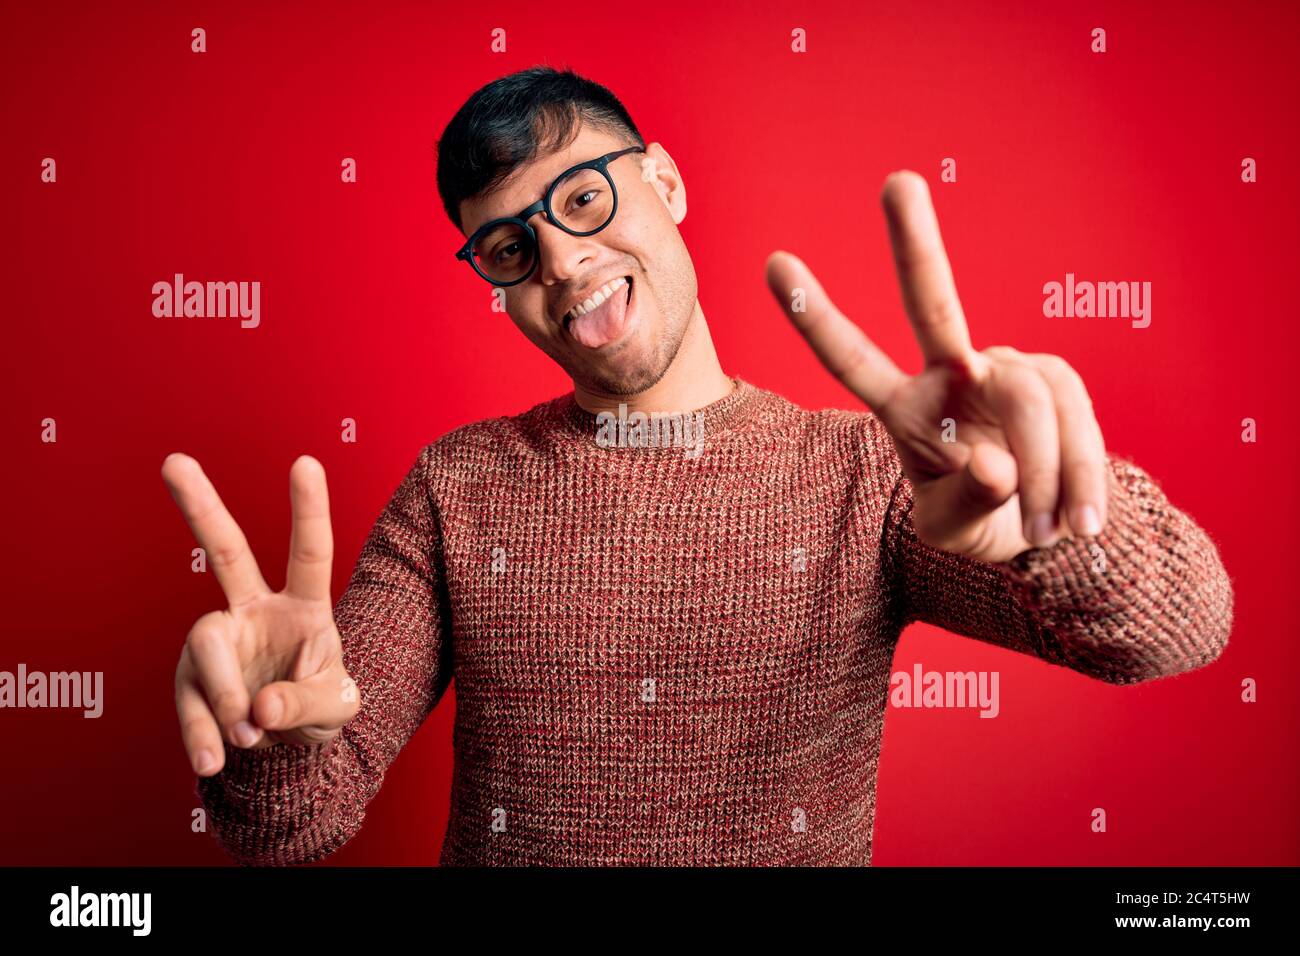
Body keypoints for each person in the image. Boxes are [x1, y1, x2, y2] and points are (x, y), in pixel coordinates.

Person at [162, 66, 1233, 866]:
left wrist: (1054, 528)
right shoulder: (456, 487)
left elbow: (1180, 629)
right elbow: (298, 825)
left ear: (663, 180)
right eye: (509, 247)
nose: (564, 261)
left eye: (582, 198)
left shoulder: (866, 474)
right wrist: (273, 736)